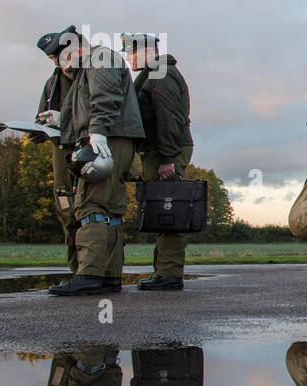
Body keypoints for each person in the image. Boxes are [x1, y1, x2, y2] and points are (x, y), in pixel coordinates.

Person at [36, 27, 144, 296]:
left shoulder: (99, 59)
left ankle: (90, 274)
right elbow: (88, 107)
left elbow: (105, 98)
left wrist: (97, 132)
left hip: (107, 137)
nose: (59, 65)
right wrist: (60, 120)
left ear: (72, 49)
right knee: (110, 207)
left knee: (92, 203)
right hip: (113, 136)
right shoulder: (91, 67)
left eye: (58, 58)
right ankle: (107, 276)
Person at [123, 33, 194, 291]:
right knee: (162, 211)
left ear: (145, 51)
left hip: (167, 151)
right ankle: (163, 272)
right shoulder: (154, 73)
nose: (128, 58)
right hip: (160, 151)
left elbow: (170, 118)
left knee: (170, 211)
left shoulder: (161, 74)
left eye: (130, 52)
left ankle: (170, 274)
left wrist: (167, 158)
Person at [31, 40, 79, 278]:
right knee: (65, 208)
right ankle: (76, 270)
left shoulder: (91, 78)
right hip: (60, 150)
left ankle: (97, 270)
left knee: (94, 209)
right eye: (54, 60)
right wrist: (37, 130)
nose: (60, 63)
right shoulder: (52, 84)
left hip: (88, 147)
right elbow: (41, 115)